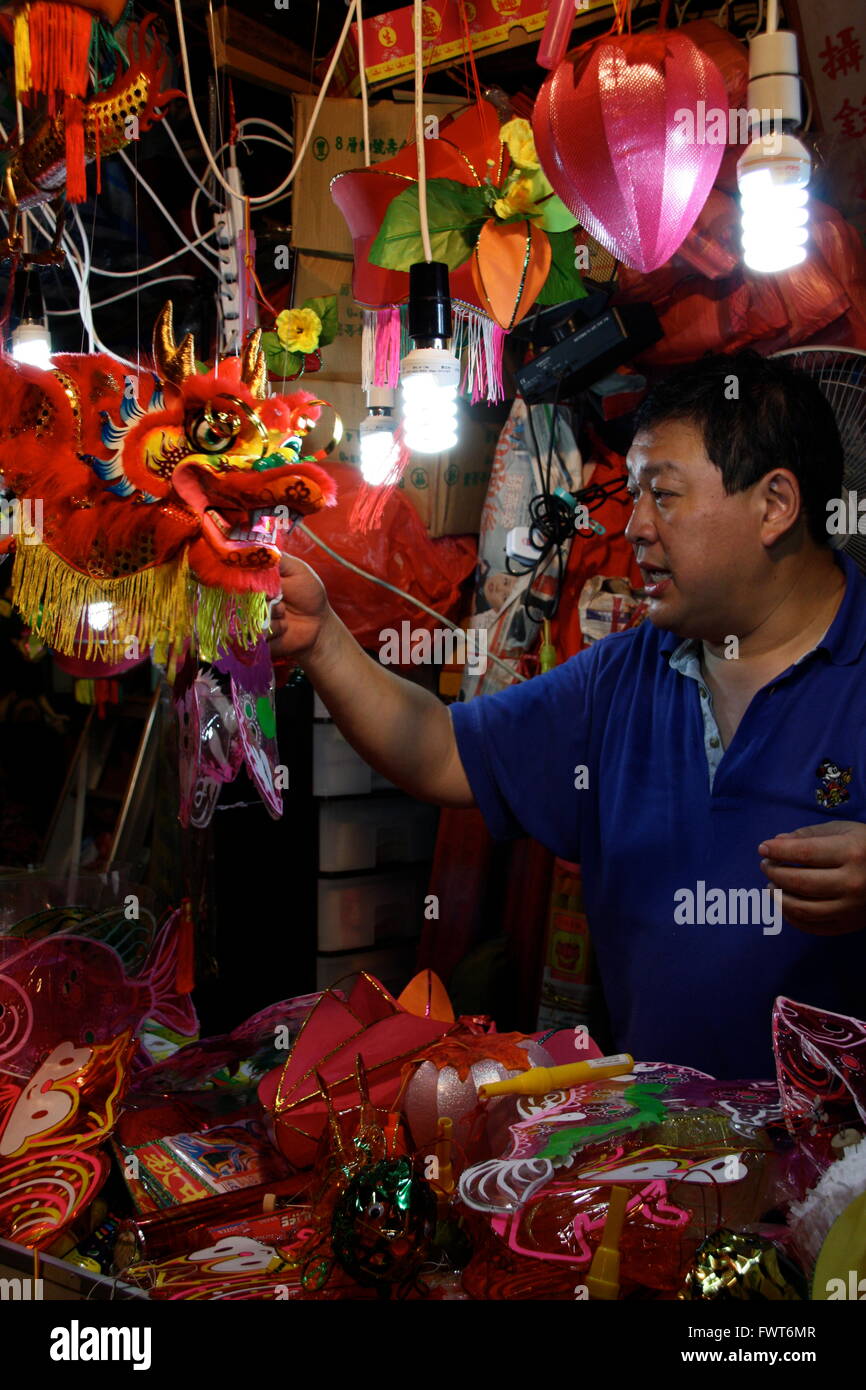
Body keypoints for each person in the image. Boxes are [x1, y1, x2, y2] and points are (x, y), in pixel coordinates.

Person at [269, 352, 866, 1078]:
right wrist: (324, 642)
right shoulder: (626, 674)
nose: (634, 528)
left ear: (774, 505)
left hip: (842, 1177)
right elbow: (440, 751)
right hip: (665, 1164)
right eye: (636, 496)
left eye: (665, 496)